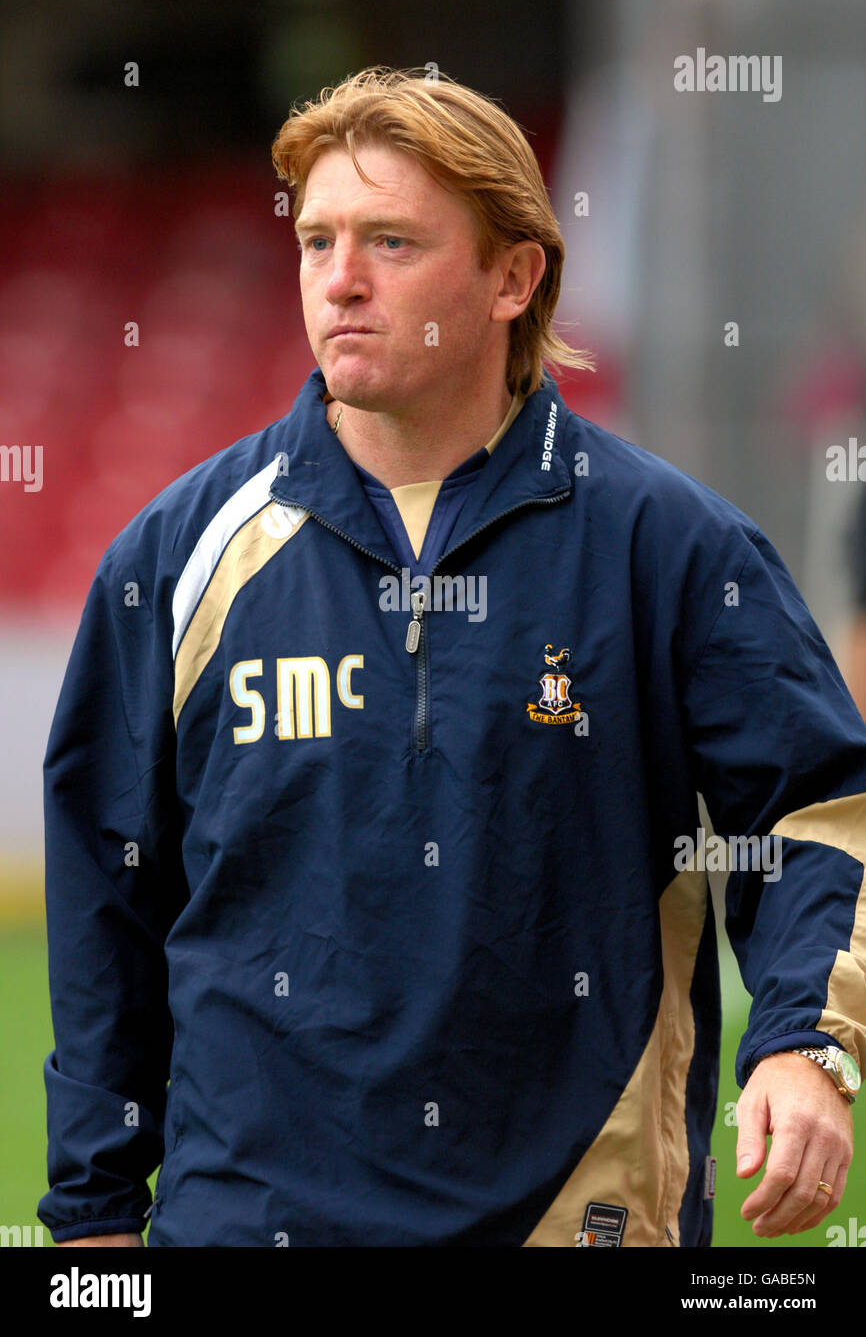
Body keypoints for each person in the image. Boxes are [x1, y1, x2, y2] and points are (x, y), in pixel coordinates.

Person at [39, 66, 865, 1249]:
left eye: (390, 240)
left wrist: (800, 1042)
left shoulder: (666, 546)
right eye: (316, 240)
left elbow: (814, 809)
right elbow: (105, 903)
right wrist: (90, 1230)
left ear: (511, 277)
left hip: (575, 1222)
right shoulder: (174, 557)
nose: (339, 279)